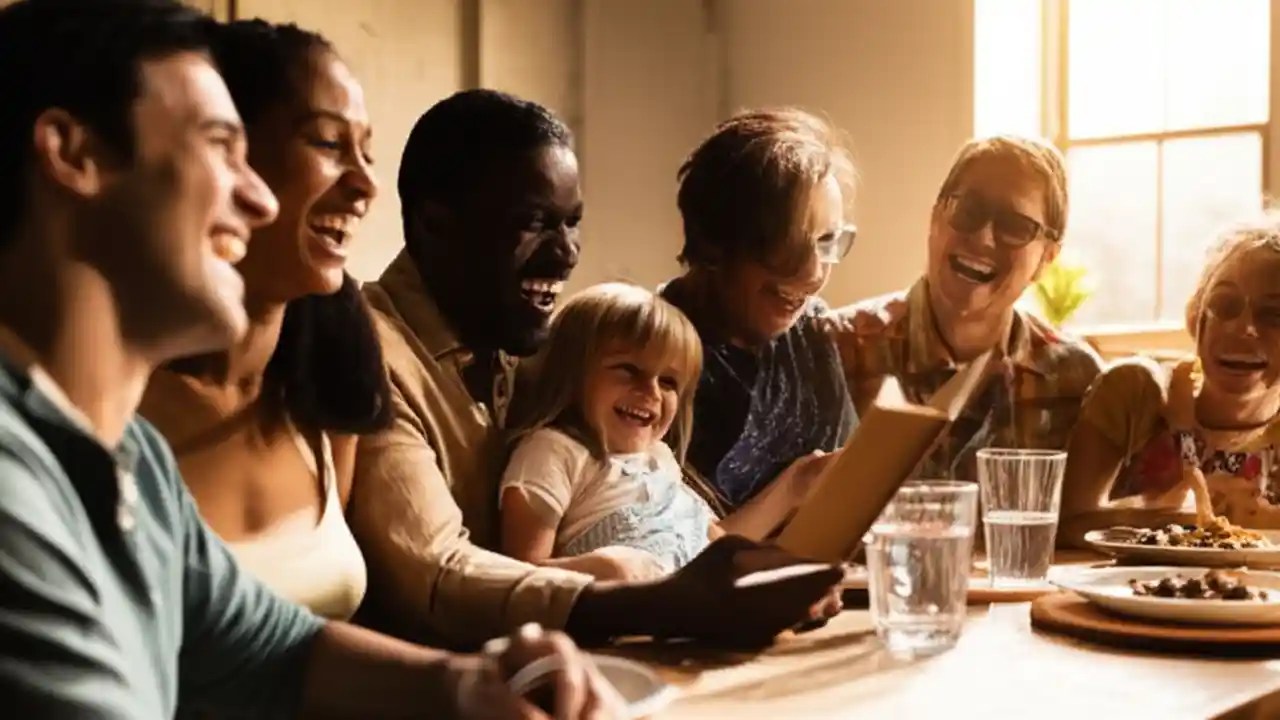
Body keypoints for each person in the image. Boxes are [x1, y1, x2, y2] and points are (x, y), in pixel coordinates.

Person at [0, 2, 622, 717]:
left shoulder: (132, 459)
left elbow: (269, 650)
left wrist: (466, 683)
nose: (257, 198)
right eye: (219, 146)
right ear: (73, 155)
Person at [352, 89, 843, 649]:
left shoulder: (524, 339)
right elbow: (435, 577)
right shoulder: (371, 351)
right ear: (436, 224)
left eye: (572, 223)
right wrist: (652, 600)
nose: (565, 254)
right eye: (533, 222)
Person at [140, 19, 384, 622]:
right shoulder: (114, 403)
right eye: (327, 144)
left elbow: (301, 643)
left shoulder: (327, 385)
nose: (365, 184)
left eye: (367, 152)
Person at [501, 283, 822, 580]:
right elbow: (520, 579)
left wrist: (795, 484)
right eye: (629, 370)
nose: (651, 392)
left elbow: (717, 547)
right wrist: (609, 570)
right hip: (629, 609)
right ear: (570, 371)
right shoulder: (553, 450)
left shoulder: (659, 457)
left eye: (668, 382)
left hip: (696, 603)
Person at [831, 135, 1103, 482]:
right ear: (935, 218)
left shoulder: (1076, 379)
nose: (983, 238)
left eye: (1015, 226)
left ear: (1046, 259)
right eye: (969, 210)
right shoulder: (839, 348)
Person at [659, 108, 858, 510]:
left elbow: (852, 485)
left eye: (827, 242)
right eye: (788, 244)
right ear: (716, 239)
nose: (812, 273)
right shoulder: (648, 345)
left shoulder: (812, 332)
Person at [1059, 214, 1280, 542]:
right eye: (1224, 305)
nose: (1244, 328)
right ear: (1195, 316)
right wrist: (1185, 519)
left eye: (1274, 314)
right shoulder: (1136, 392)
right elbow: (1064, 525)